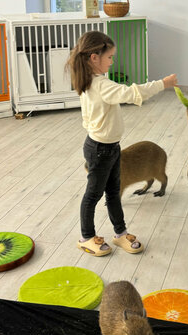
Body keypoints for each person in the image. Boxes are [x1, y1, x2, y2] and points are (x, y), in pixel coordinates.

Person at [67, 31, 177, 257]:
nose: (112, 61)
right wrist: (163, 83)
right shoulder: (101, 85)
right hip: (100, 150)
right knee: (93, 195)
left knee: (113, 193)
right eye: (109, 57)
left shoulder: (89, 80)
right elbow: (131, 93)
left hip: (109, 147)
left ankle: (120, 233)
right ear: (94, 58)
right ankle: (86, 238)